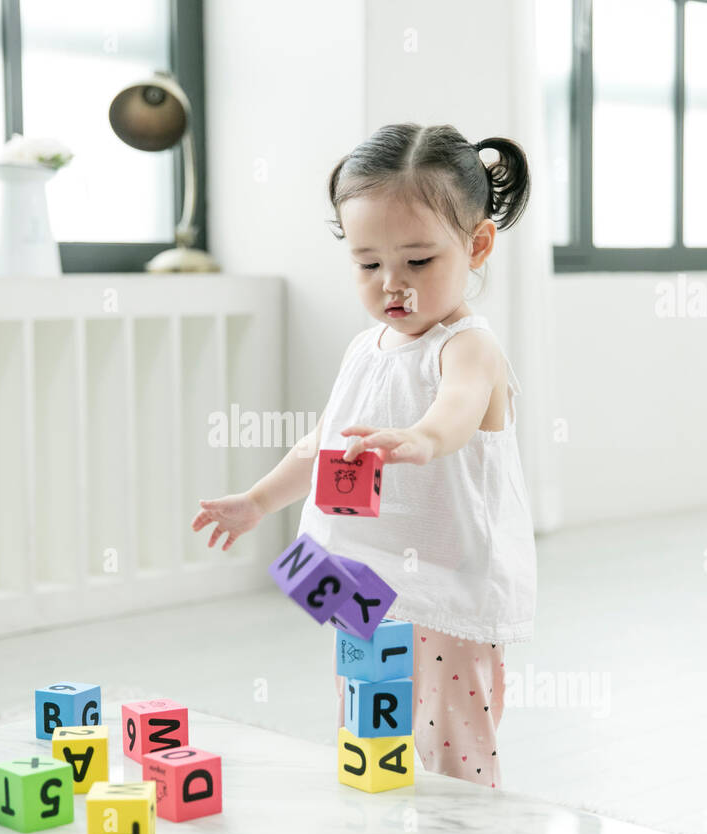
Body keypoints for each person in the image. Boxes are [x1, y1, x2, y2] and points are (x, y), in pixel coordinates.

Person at [191, 123, 537, 789]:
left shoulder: (467, 345)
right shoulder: (364, 349)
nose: (391, 285)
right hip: (360, 580)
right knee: (369, 728)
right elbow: (321, 446)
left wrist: (422, 438)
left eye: (418, 261)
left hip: (446, 587)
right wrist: (258, 500)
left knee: (450, 751)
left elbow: (458, 407)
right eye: (368, 264)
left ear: (478, 243)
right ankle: (382, 833)